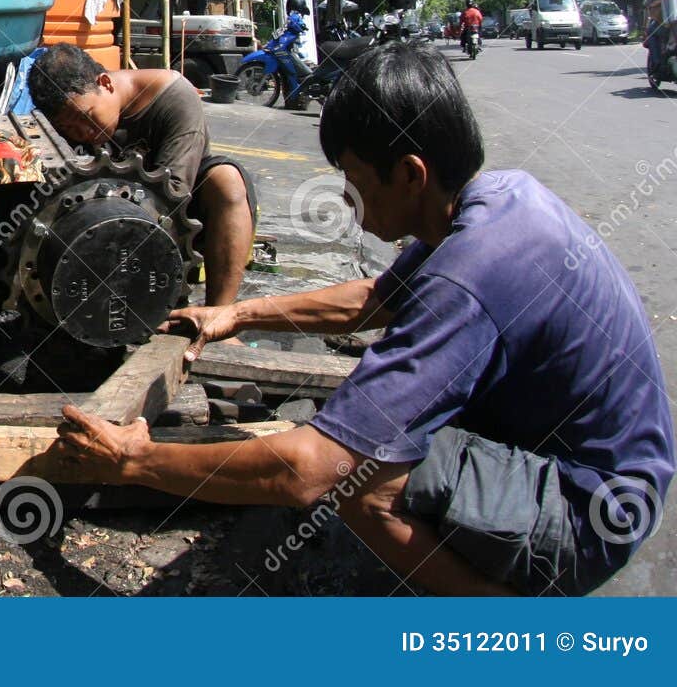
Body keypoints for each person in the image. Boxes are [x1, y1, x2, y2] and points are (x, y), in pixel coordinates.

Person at [55, 41, 673, 595]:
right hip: (599, 470)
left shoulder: (468, 276)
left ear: (409, 174)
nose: (348, 204)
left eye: (353, 182)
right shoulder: (495, 199)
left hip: (587, 514)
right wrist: (237, 314)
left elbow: (307, 471)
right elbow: (375, 300)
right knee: (362, 431)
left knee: (359, 481)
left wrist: (135, 461)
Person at [27, 44, 255, 310]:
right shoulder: (72, 115)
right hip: (95, 211)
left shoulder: (173, 96)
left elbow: (174, 194)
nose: (81, 132)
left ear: (105, 83)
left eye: (86, 117)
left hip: (175, 211)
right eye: (68, 127)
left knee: (227, 182)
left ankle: (219, 315)